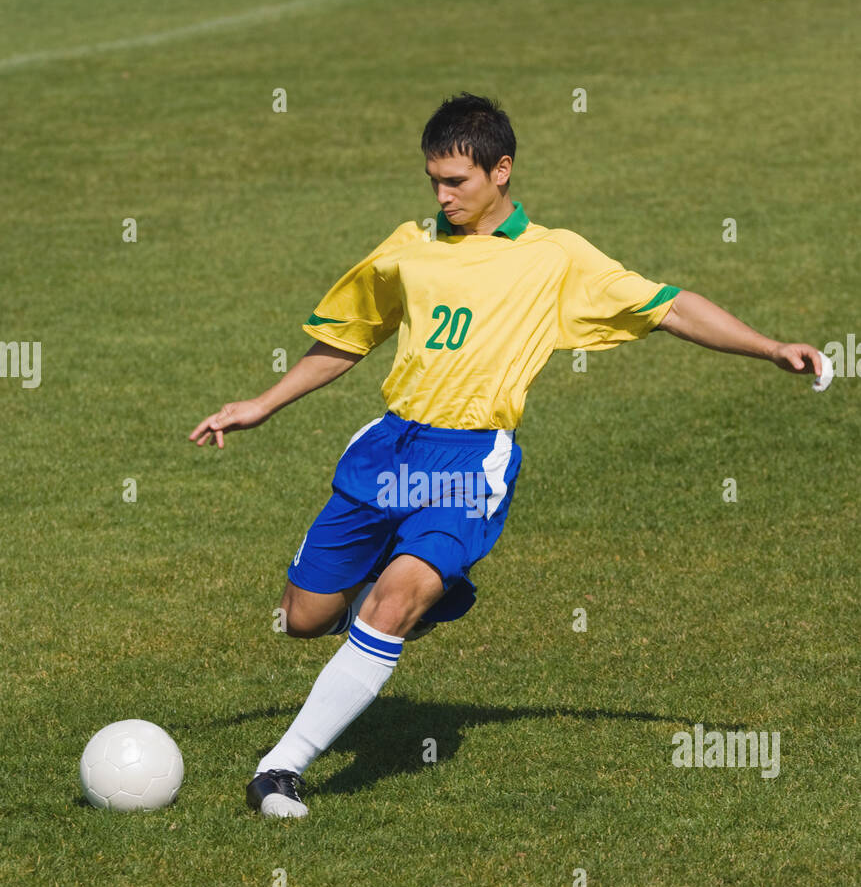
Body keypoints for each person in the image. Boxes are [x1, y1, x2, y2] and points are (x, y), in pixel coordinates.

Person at [189, 92, 824, 819]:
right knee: (302, 618)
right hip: (388, 448)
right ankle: (419, 599)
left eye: (455, 181)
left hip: (469, 460)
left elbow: (669, 306)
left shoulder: (554, 256)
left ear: (501, 171)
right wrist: (261, 404)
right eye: (432, 179)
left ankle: (280, 769)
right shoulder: (408, 247)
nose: (441, 194)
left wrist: (769, 346)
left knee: (395, 600)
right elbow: (348, 336)